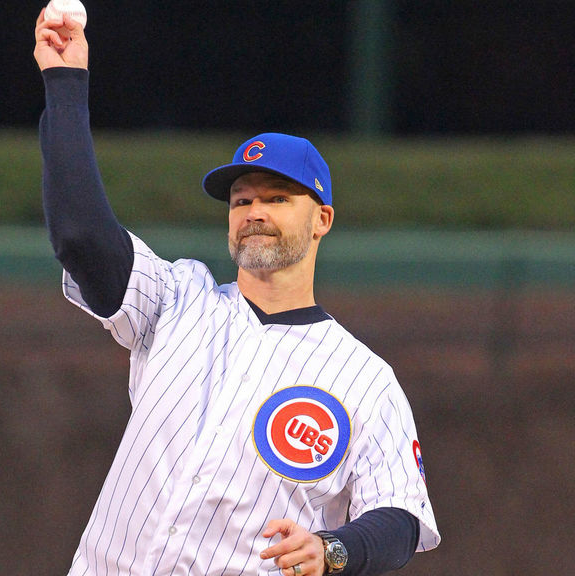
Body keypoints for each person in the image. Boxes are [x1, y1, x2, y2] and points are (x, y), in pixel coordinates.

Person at [34, 10, 440, 576]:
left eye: (276, 198)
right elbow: (80, 235)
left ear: (321, 220)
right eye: (242, 200)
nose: (254, 211)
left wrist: (332, 549)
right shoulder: (178, 299)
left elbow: (399, 518)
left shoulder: (364, 379)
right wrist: (66, 84)